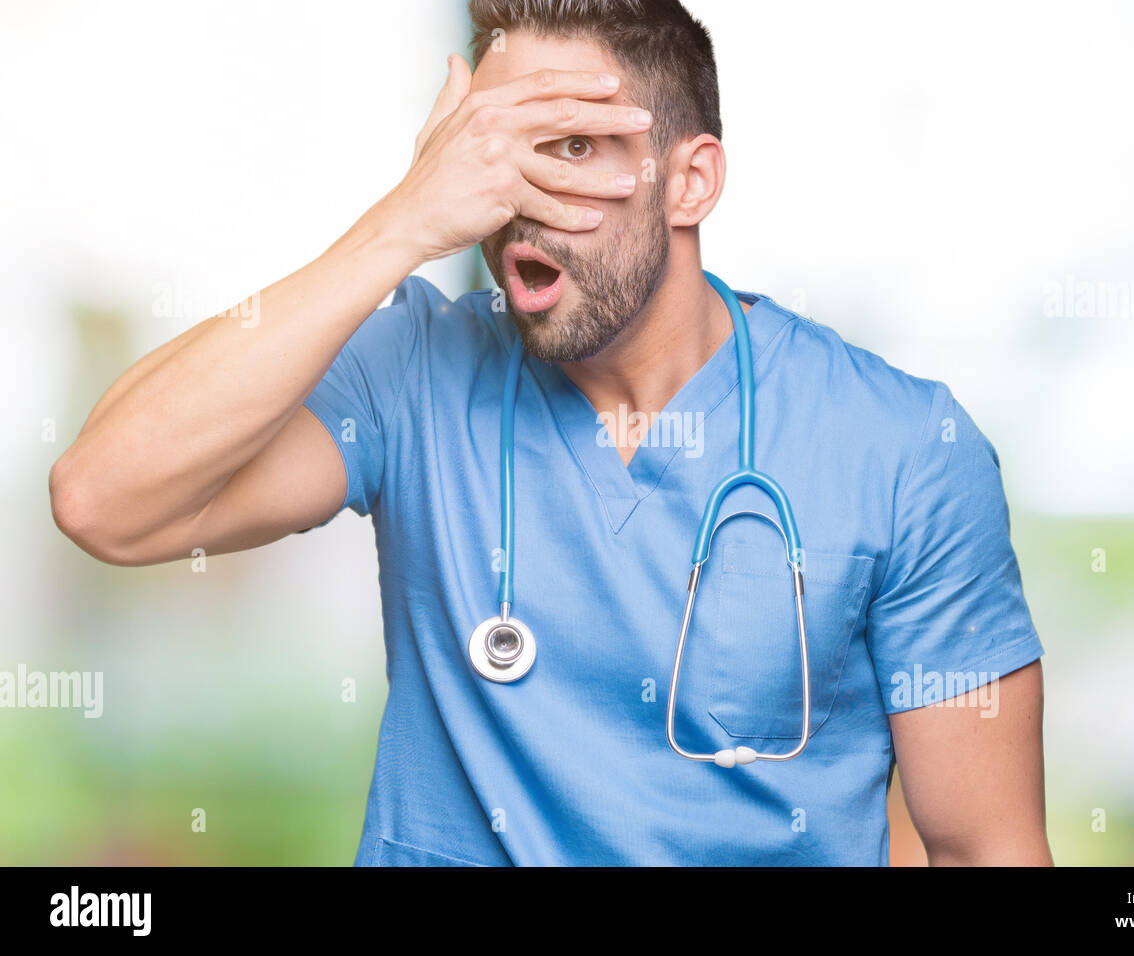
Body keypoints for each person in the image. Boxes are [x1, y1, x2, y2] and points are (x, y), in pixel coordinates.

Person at [49, 0, 1051, 866]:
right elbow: (105, 500)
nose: (517, 200)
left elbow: (984, 844)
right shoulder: (412, 373)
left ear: (690, 181)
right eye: (490, 153)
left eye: (572, 148)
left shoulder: (903, 446)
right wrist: (399, 221)